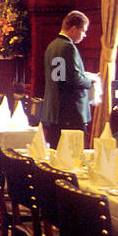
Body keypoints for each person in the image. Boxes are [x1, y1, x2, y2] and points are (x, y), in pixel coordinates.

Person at [42, 11, 92, 149]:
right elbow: (73, 80)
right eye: (83, 31)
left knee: (56, 154)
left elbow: (60, 78)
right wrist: (89, 80)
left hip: (55, 111)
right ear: (74, 28)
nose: (84, 35)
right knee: (72, 156)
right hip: (70, 113)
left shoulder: (53, 45)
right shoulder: (68, 47)